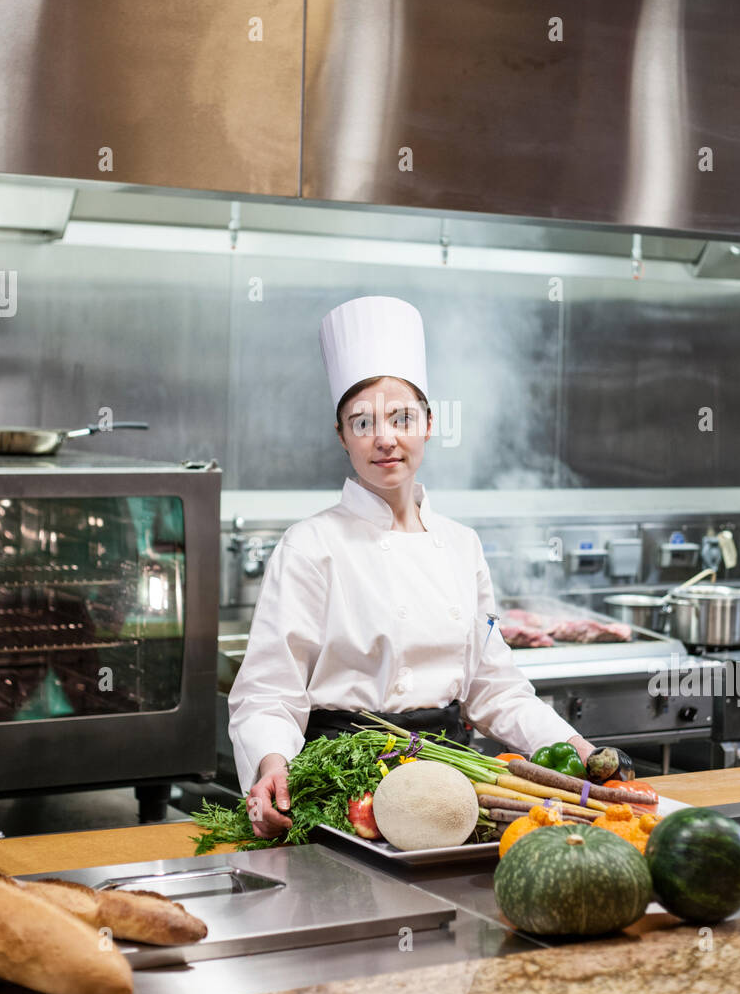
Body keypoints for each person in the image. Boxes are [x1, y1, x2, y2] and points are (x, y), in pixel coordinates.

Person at [228, 294, 596, 836]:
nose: (385, 438)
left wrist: (576, 748)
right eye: (362, 423)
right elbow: (268, 693)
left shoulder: (462, 545)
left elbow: (494, 687)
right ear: (341, 437)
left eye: (402, 418)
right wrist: (271, 767)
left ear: (429, 424)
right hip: (340, 789)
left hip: (450, 789)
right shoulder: (310, 545)